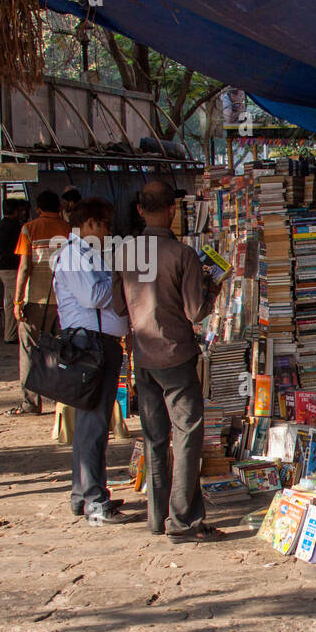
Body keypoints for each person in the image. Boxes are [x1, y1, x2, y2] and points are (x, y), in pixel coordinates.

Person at [114, 180, 221, 543]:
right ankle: (183, 519)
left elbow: (117, 306)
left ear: (141, 210)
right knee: (187, 435)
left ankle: (157, 516)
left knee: (155, 437)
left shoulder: (127, 252)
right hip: (175, 354)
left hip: (142, 355)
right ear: (173, 210)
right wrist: (213, 289)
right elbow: (195, 312)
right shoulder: (182, 255)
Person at [52, 197, 131, 525]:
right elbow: (94, 297)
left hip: (98, 344)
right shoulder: (73, 255)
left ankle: (84, 494)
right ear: (90, 224)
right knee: (94, 425)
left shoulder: (85, 254)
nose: (109, 232)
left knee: (91, 424)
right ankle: (95, 502)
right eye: (106, 225)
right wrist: (121, 282)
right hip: (91, 346)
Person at [11, 191, 70, 416]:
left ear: (38, 209)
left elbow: (25, 267)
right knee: (62, 351)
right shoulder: (69, 230)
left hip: (35, 301)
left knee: (29, 350)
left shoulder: (29, 229)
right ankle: (63, 403)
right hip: (64, 302)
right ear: (60, 207)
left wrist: (17, 301)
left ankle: (31, 403)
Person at [0, 198, 28, 344]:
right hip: (13, 268)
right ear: (16, 211)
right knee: (19, 301)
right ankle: (22, 334)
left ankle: (10, 335)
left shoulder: (0, 225)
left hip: (3, 267)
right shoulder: (17, 227)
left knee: (9, 303)